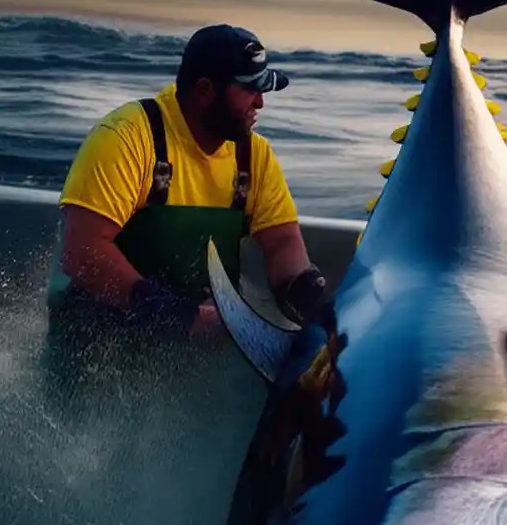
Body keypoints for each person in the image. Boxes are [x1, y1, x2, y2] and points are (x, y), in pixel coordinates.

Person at [48, 23, 327, 341]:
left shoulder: (253, 155)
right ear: (205, 91)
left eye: (263, 89)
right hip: (95, 349)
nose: (260, 103)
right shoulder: (129, 137)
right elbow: (81, 250)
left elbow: (281, 242)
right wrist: (169, 313)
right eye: (250, 90)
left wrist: (302, 291)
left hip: (189, 357)